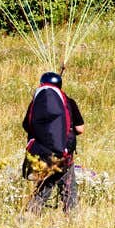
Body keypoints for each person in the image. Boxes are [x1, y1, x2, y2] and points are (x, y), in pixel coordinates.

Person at [21, 72, 83, 213]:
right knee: (68, 188)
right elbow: (80, 129)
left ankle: (30, 216)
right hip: (64, 153)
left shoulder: (36, 103)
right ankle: (72, 221)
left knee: (44, 186)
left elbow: (27, 125)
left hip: (42, 152)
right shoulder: (69, 102)